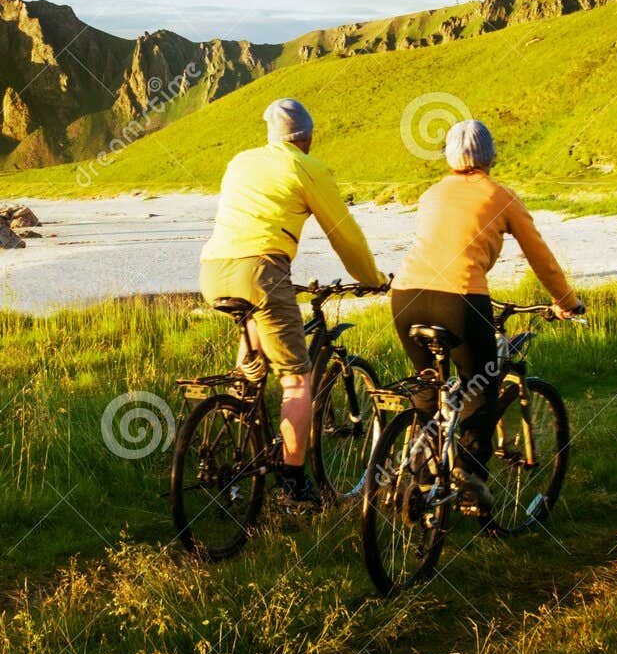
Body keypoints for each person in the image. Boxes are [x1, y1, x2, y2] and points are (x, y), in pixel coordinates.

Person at [199, 98, 387, 507]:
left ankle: (238, 426)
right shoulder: (308, 167)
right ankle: (294, 485)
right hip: (263, 268)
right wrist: (372, 280)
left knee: (252, 348)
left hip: (213, 269)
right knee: (297, 380)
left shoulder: (240, 161)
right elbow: (345, 234)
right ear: (308, 137)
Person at [389, 119, 584, 513]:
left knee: (429, 384)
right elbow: (540, 257)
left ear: (448, 156)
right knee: (481, 382)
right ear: (491, 155)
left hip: (405, 296)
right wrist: (566, 300)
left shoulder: (431, 194)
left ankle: (423, 469)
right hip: (459, 297)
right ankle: (468, 474)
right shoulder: (501, 196)